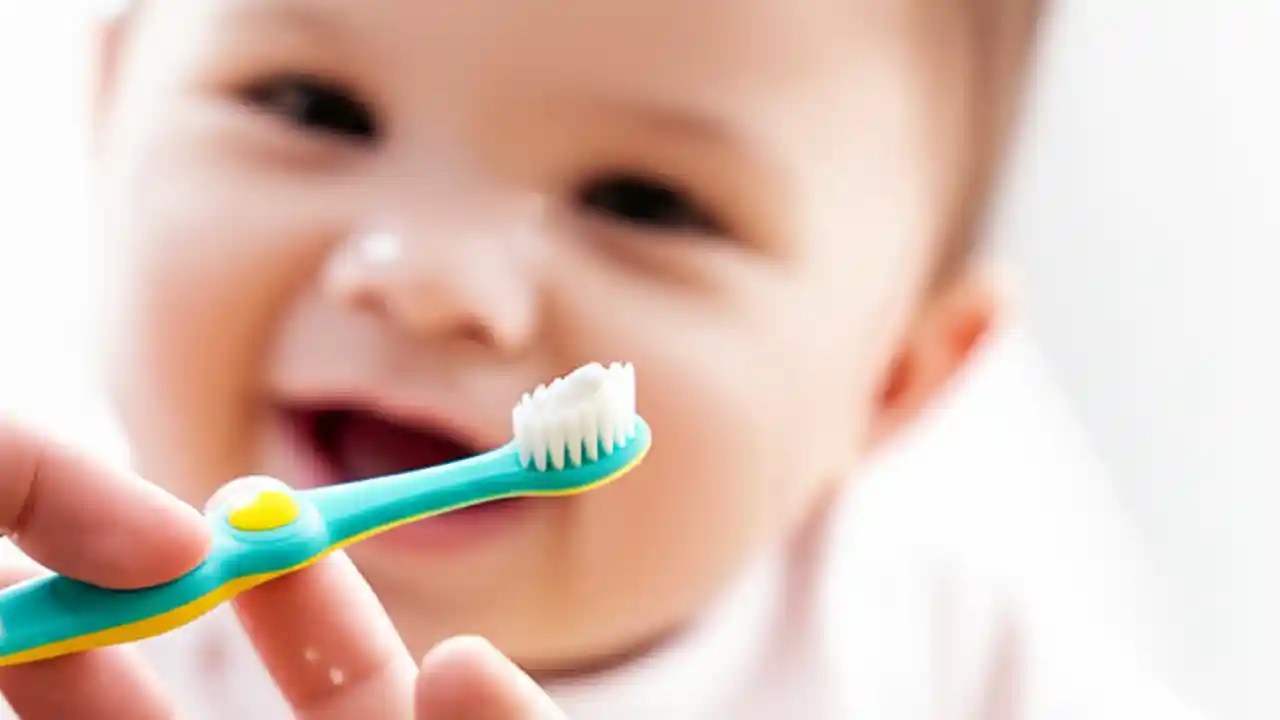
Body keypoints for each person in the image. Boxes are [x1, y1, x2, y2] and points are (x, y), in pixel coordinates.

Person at [0, 0, 1200, 716]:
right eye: (315, 107)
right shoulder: (49, 606)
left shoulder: (974, 669)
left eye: (643, 202)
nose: (435, 281)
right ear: (108, 114)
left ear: (891, 378)